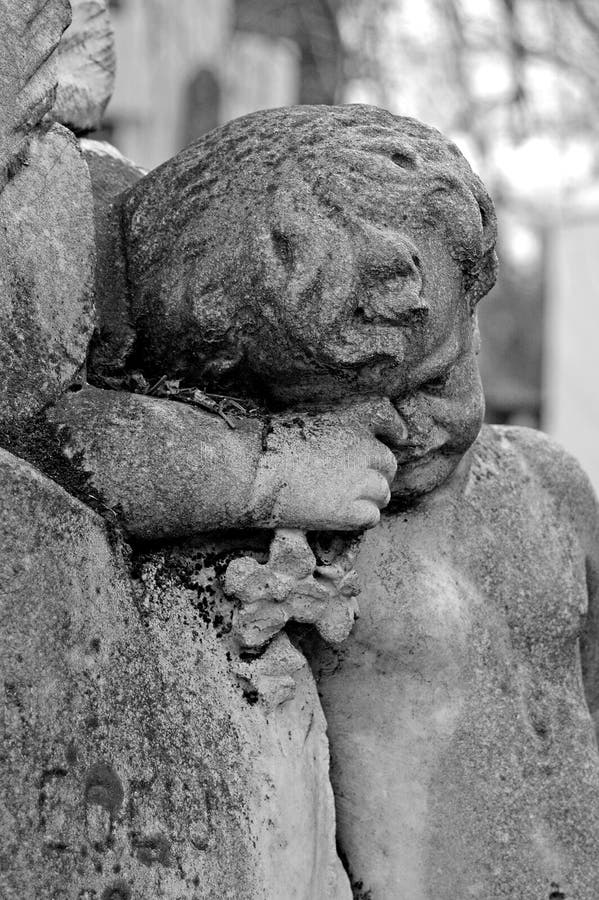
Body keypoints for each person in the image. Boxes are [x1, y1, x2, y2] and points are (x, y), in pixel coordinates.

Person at [51, 105, 599, 898]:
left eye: (438, 376)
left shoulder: (550, 486)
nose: (410, 428)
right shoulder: (288, 560)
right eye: (339, 408)